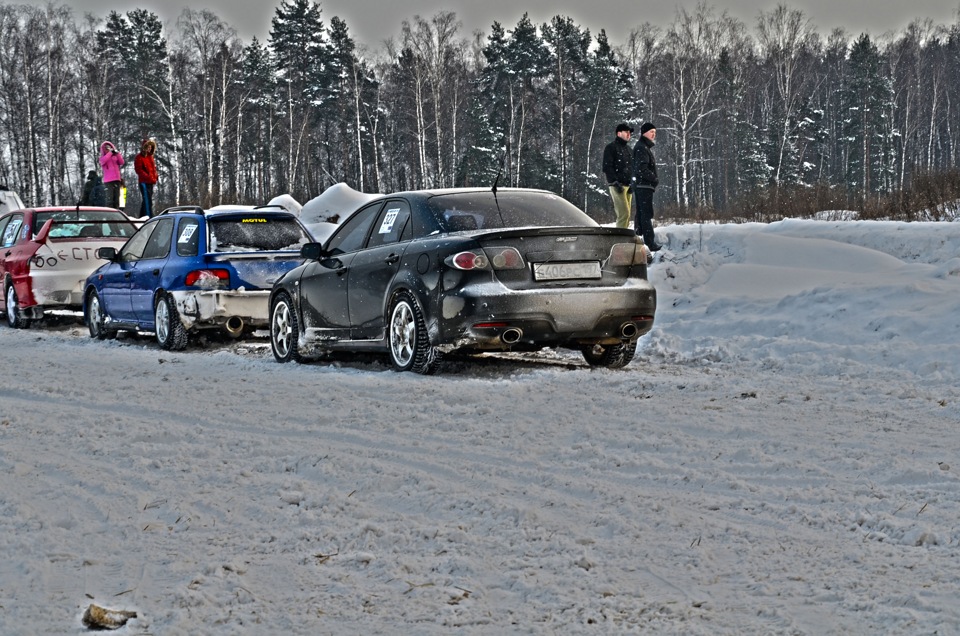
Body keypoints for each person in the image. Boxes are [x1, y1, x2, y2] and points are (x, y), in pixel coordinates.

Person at [633, 122, 662, 251]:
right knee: (646, 214)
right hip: (643, 186)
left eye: (655, 132)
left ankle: (639, 238)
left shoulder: (644, 147)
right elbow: (641, 168)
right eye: (651, 132)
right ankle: (650, 242)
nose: (653, 134)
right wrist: (654, 178)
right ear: (644, 132)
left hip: (643, 186)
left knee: (641, 213)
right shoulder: (642, 148)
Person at [602, 122, 634, 228]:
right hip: (617, 185)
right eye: (626, 132)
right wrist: (614, 182)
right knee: (624, 214)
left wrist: (634, 183)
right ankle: (620, 239)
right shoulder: (610, 147)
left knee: (627, 215)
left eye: (630, 133)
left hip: (628, 186)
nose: (629, 134)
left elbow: (634, 168)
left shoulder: (629, 150)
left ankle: (624, 237)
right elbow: (607, 167)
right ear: (619, 133)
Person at [134, 138, 158, 217]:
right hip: (144, 182)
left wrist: (155, 176)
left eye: (151, 147)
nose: (149, 148)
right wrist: (148, 176)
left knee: (147, 200)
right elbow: (139, 170)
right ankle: (149, 216)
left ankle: (142, 216)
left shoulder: (150, 157)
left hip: (150, 181)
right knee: (147, 200)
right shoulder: (139, 157)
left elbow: (153, 169)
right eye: (148, 147)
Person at [99, 141, 125, 209]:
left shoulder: (114, 157)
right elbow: (103, 161)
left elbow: (121, 162)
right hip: (108, 181)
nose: (108, 149)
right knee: (109, 199)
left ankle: (116, 212)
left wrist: (117, 153)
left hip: (117, 179)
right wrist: (110, 153)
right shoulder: (103, 158)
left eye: (110, 147)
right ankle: (110, 214)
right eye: (107, 148)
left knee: (116, 199)